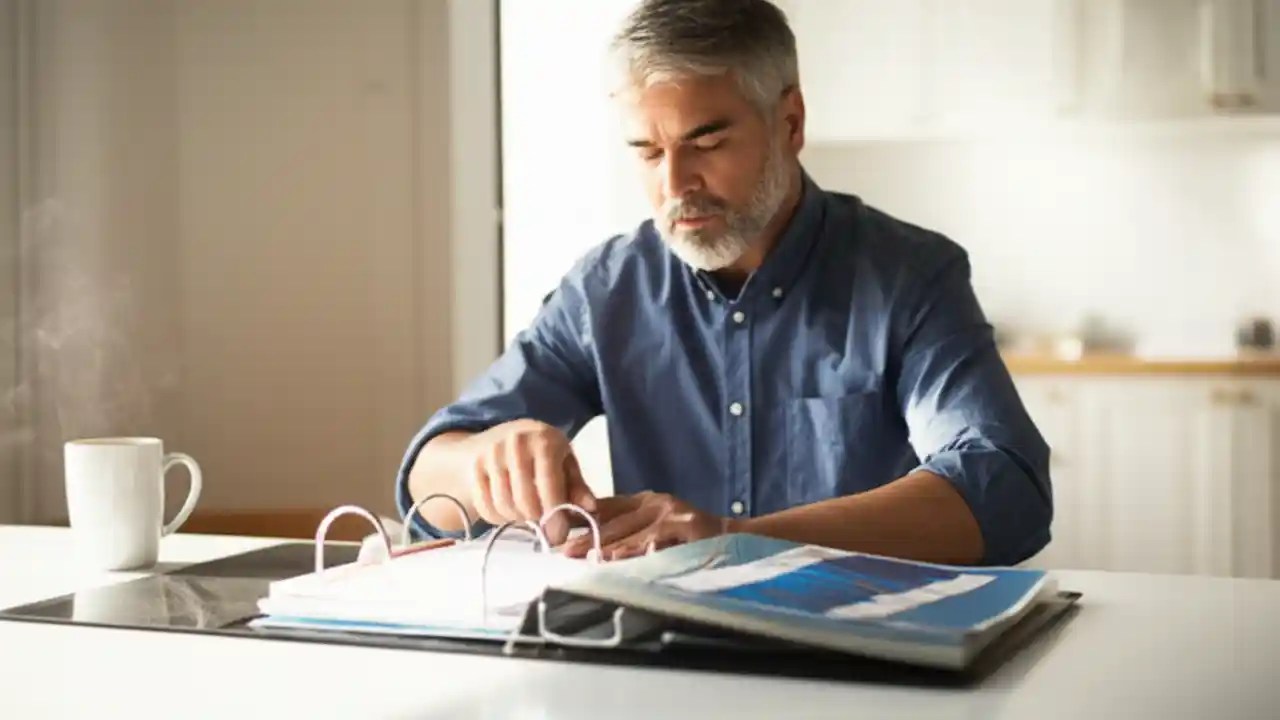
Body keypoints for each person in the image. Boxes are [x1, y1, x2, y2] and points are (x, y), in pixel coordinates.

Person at [395, 0, 1052, 566]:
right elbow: (430, 482)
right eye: (647, 152)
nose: (675, 185)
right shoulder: (605, 289)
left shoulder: (910, 275)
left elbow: (1006, 490)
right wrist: (485, 461)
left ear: (789, 124)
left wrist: (739, 540)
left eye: (706, 142)